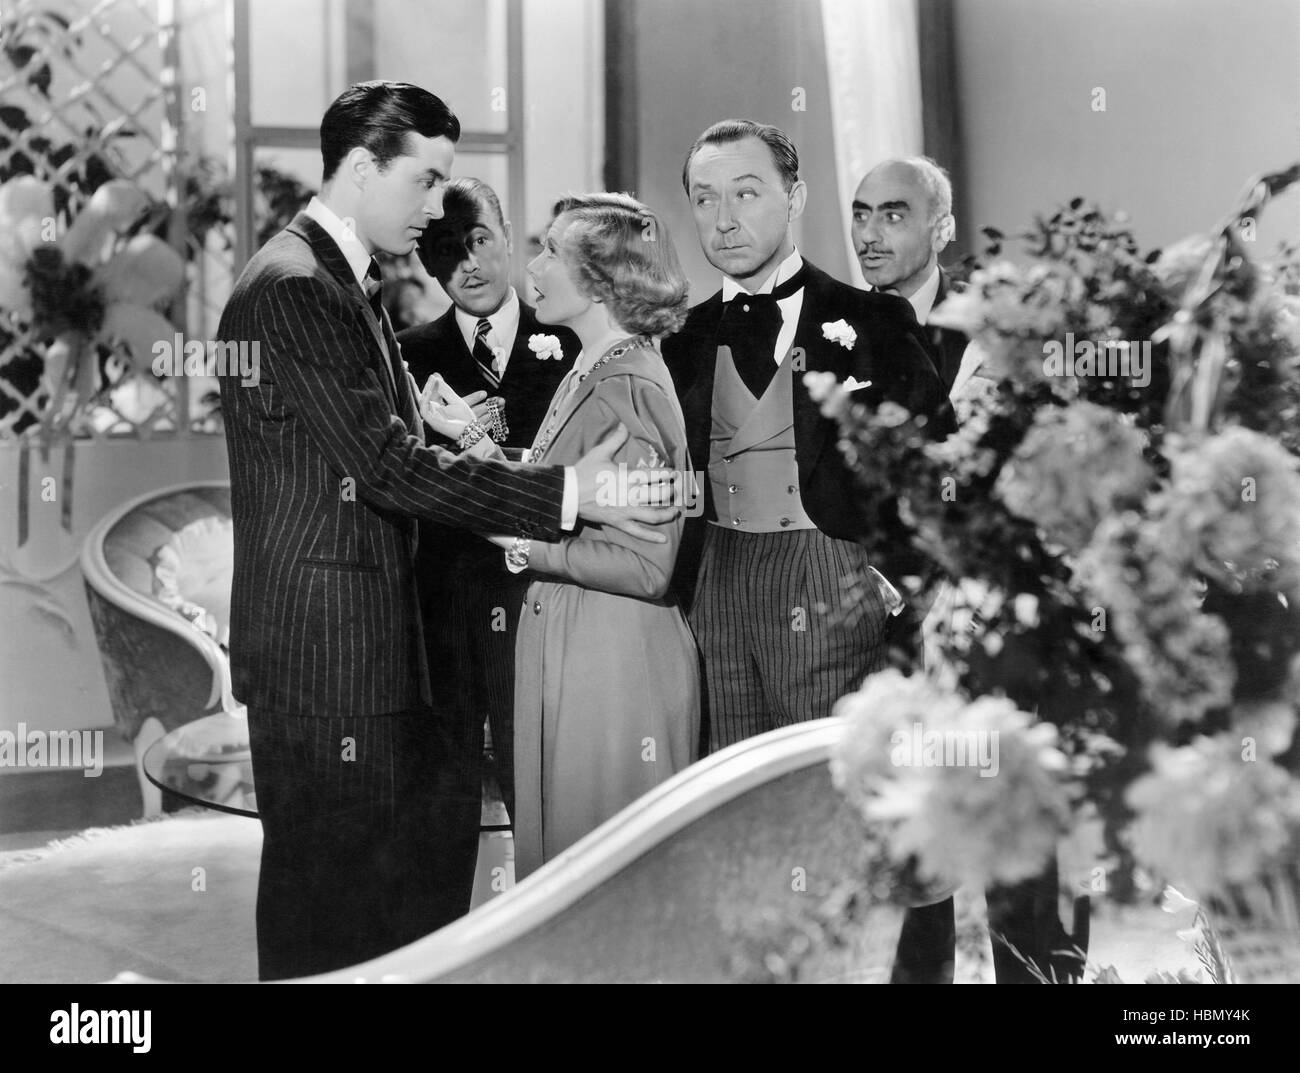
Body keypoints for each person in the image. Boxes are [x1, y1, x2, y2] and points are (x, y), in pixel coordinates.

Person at [216, 81, 678, 979]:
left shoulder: (333, 281)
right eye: (425, 182)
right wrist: (566, 493)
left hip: (368, 658)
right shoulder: (294, 288)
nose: (437, 210)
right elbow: (384, 468)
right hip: (331, 666)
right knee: (333, 928)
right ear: (360, 168)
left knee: (384, 923)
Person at [661, 120, 952, 984]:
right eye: (705, 199)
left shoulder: (872, 318)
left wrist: (895, 573)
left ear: (794, 198)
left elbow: (938, 460)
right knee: (743, 825)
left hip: (828, 577)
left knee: (835, 820)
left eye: (745, 193)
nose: (722, 219)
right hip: (717, 585)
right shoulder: (679, 333)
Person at [425, 192, 699, 881]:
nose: (534, 265)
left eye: (551, 250)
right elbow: (566, 487)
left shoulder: (627, 384)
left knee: (606, 890)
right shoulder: (594, 366)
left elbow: (648, 566)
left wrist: (524, 547)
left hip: (614, 663)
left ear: (599, 280)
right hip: (579, 646)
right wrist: (473, 439)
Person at [395, 178, 579, 909]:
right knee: (441, 810)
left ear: (509, 235)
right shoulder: (409, 353)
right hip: (445, 613)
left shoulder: (570, 340)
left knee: (542, 802)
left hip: (543, 602)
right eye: (445, 251)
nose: (466, 264)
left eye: (478, 241)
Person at [852, 156, 970, 396]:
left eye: (892, 217)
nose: (868, 235)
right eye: (861, 216)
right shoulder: (831, 327)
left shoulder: (990, 321)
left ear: (942, 231)